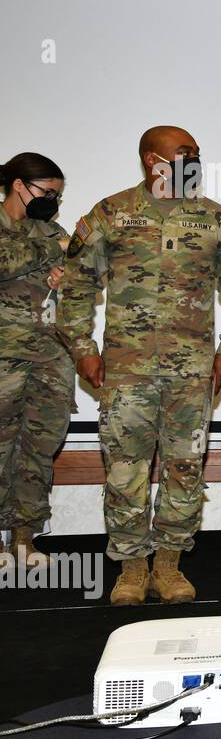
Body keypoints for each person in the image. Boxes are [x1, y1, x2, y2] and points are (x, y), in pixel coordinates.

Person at [60, 126, 221, 605]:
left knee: (184, 469)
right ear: (154, 160)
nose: (195, 160)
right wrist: (83, 348)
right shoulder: (111, 214)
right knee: (125, 470)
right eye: (185, 153)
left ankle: (168, 565)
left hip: (191, 373)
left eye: (196, 154)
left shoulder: (216, 219)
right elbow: (77, 286)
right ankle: (131, 567)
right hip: (126, 372)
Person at [0, 153, 74, 572]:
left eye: (58, 196)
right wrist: (52, 250)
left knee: (39, 447)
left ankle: (25, 536)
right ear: (18, 186)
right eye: (48, 193)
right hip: (4, 355)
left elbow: (78, 270)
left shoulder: (53, 229)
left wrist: (67, 275)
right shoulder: (48, 237)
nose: (54, 203)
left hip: (50, 355)